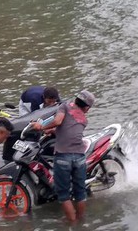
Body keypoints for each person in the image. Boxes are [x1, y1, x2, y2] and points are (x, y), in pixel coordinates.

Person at [32, 90, 95, 223]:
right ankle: (80, 222)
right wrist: (53, 131)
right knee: (80, 193)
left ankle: (72, 224)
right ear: (87, 107)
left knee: (64, 195)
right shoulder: (84, 119)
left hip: (63, 157)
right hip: (80, 158)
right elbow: (69, 128)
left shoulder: (65, 106)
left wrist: (41, 127)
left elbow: (58, 121)